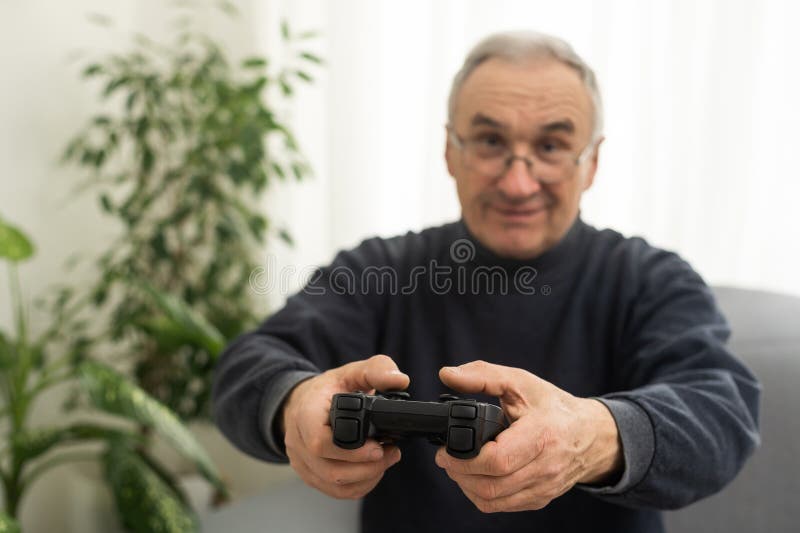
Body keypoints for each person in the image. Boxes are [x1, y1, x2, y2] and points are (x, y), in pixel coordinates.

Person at [212, 30, 760, 533]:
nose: (519, 183)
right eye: (490, 142)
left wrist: (593, 437)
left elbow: (722, 413)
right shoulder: (381, 270)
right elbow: (246, 366)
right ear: (451, 151)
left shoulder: (650, 279)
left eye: (550, 147)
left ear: (591, 163)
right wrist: (294, 403)